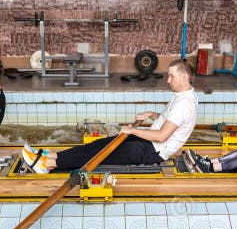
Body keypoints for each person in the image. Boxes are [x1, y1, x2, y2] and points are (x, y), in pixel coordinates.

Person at [21, 59, 198, 173]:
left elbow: (161, 136)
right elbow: (172, 121)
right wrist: (152, 114)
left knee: (100, 153)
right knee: (98, 144)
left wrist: (133, 131)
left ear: (184, 77)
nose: (168, 80)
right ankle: (49, 156)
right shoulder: (185, 96)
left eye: (171, 76)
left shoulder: (184, 104)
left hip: (152, 151)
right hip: (148, 143)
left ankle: (47, 165)